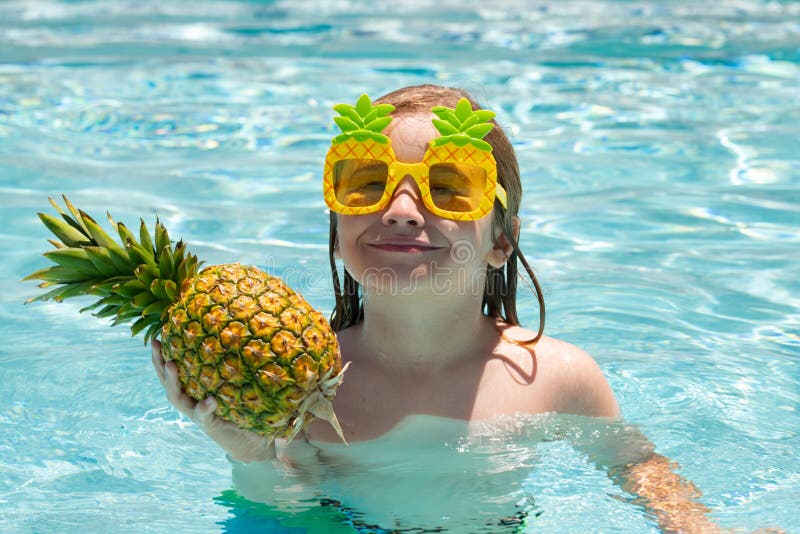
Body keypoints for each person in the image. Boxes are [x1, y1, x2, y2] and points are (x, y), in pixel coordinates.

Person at [151, 84, 721, 532]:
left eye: (448, 189)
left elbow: (635, 468)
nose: (401, 210)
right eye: (367, 184)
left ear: (502, 240)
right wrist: (249, 456)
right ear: (336, 226)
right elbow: (289, 512)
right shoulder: (292, 381)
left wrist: (699, 528)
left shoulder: (555, 378)